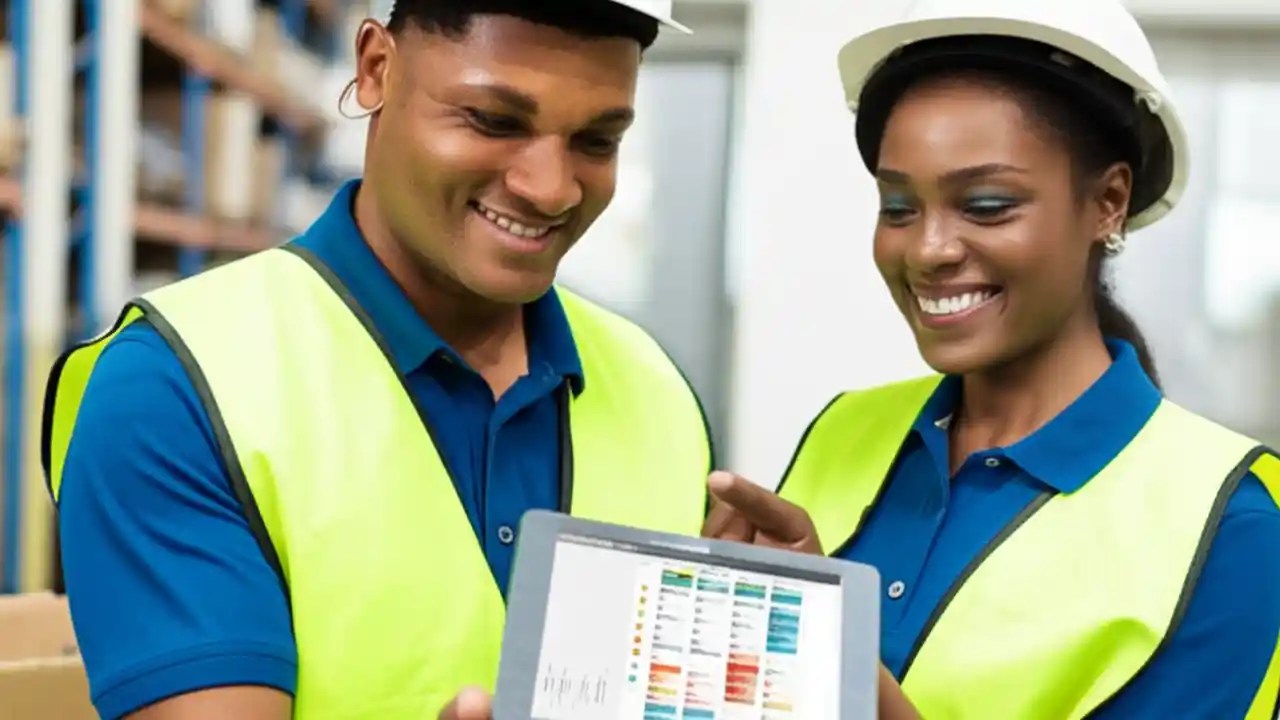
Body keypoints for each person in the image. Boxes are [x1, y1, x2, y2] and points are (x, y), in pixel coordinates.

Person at [40, 2, 716, 718]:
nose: (551, 187)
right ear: (375, 69)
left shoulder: (656, 389)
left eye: (597, 140)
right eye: (493, 120)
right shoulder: (175, 386)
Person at [708, 1, 1280, 718]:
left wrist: (830, 652)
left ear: (1108, 201)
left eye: (985, 205)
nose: (927, 250)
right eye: (897, 206)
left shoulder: (1231, 523)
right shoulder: (847, 429)